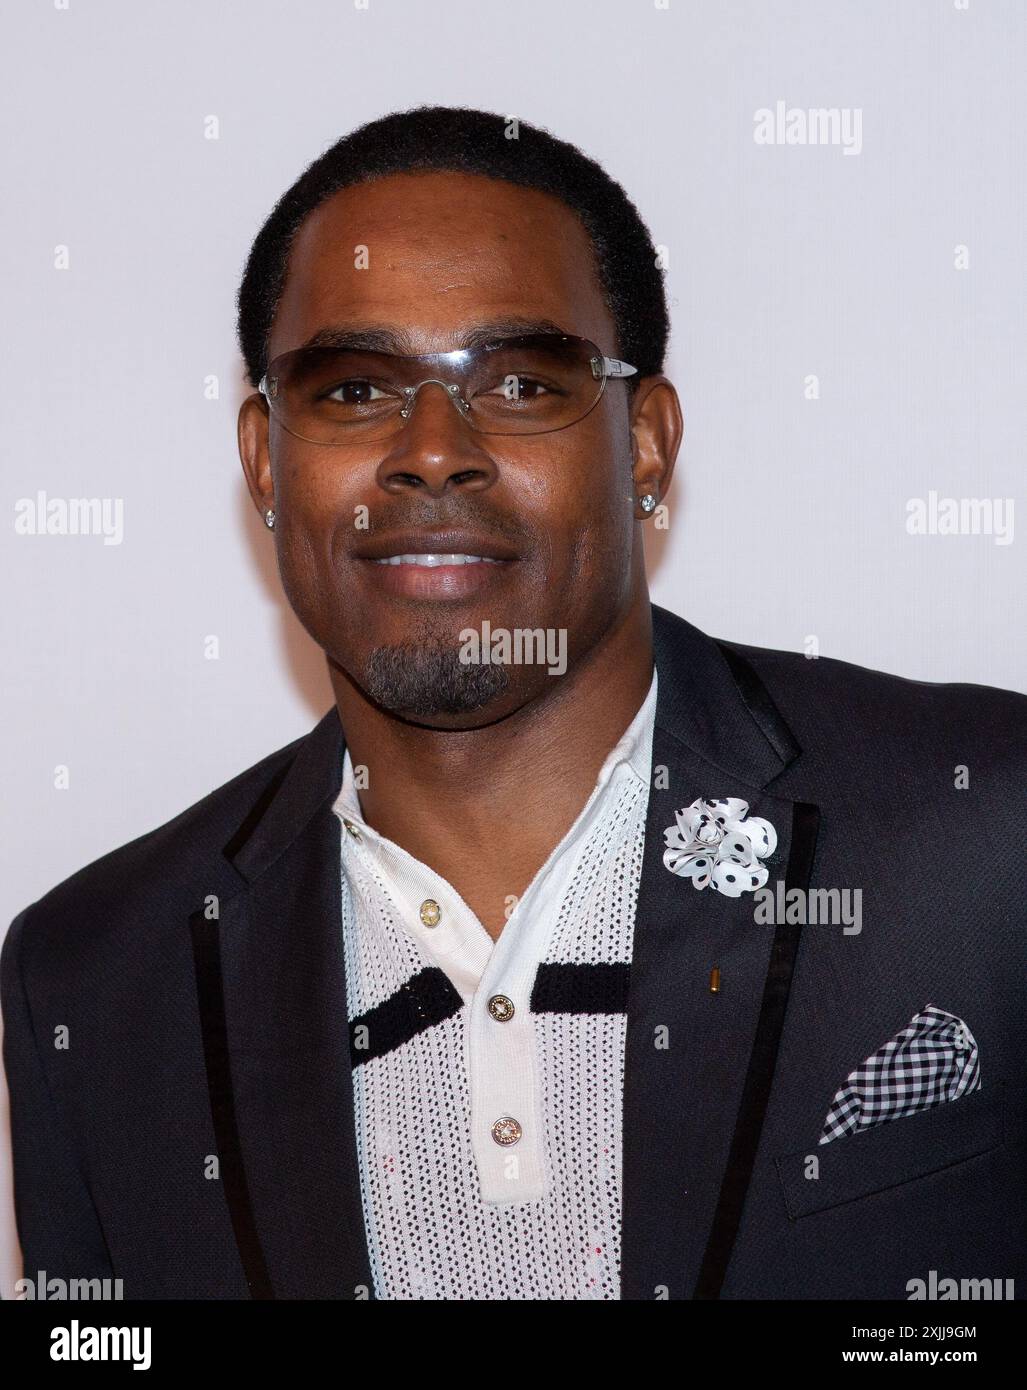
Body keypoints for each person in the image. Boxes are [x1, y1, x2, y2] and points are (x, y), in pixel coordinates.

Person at [3, 106, 1024, 1301]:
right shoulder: (96, 985)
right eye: (351, 390)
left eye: (522, 381)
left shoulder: (984, 831)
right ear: (266, 462)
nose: (432, 451)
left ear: (645, 443)